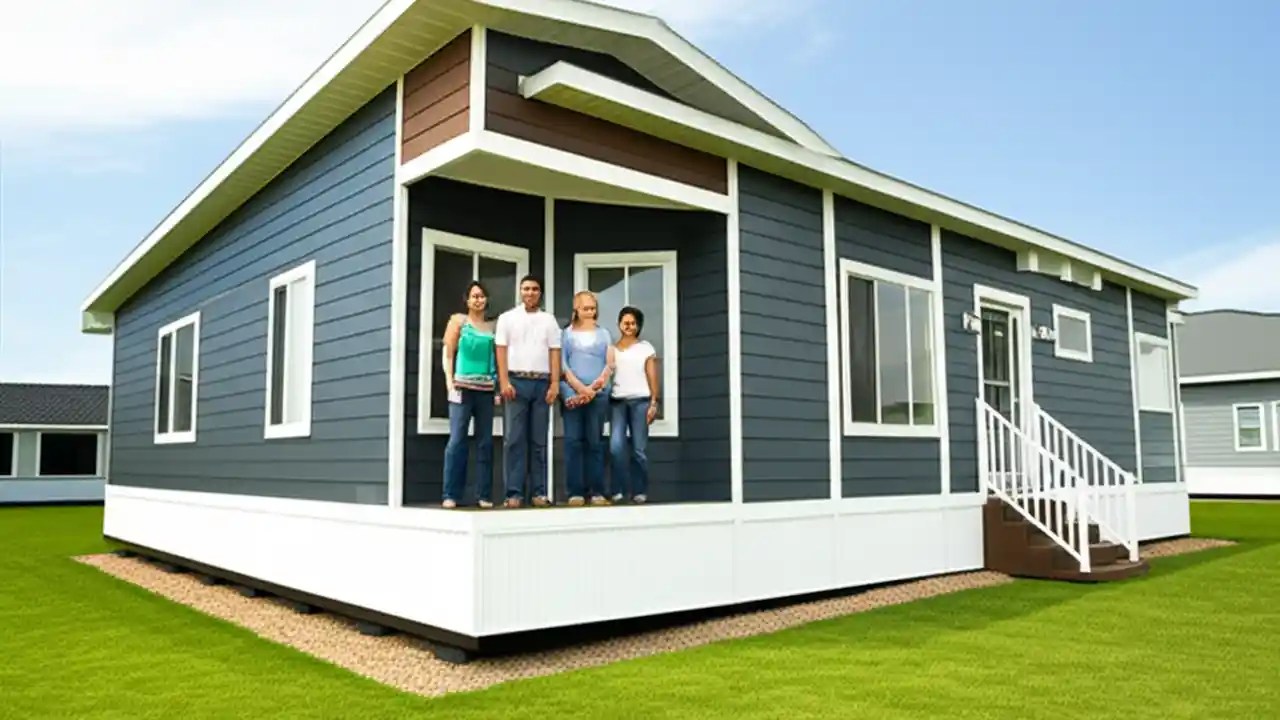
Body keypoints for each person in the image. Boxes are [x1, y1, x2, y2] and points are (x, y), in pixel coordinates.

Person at [495, 274, 561, 508]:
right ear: (520, 292)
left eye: (534, 289)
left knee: (539, 440)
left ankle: (539, 492)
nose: (530, 293)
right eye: (526, 289)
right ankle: (513, 494)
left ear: (540, 293)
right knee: (513, 439)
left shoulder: (549, 320)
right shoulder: (507, 318)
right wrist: (504, 382)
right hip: (516, 381)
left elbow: (555, 351)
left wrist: (554, 383)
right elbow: (501, 350)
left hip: (541, 383)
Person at [440, 281, 498, 509]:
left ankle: (483, 495)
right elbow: (448, 353)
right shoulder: (458, 321)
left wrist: (497, 387)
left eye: (482, 296)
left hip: (485, 391)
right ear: (467, 300)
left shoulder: (492, 327)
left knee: (485, 443)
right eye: (474, 296)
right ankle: (451, 494)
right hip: (462, 388)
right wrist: (449, 384)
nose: (478, 300)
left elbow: (496, 357)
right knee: (457, 441)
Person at [560, 291, 615, 507]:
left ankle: (597, 491)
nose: (590, 312)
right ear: (576, 309)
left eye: (593, 308)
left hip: (598, 395)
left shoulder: (604, 334)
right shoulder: (566, 334)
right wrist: (581, 390)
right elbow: (563, 365)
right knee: (573, 442)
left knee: (595, 442)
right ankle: (575, 492)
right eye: (585, 308)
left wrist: (593, 388)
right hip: (573, 395)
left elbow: (609, 364)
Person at [609, 306, 660, 504]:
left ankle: (639, 491)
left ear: (638, 325)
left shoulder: (646, 348)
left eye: (632, 323)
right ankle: (618, 490)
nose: (628, 326)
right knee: (616, 447)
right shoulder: (612, 349)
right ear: (619, 324)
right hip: (618, 402)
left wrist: (654, 402)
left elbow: (652, 376)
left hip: (640, 401)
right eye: (625, 322)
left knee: (639, 449)